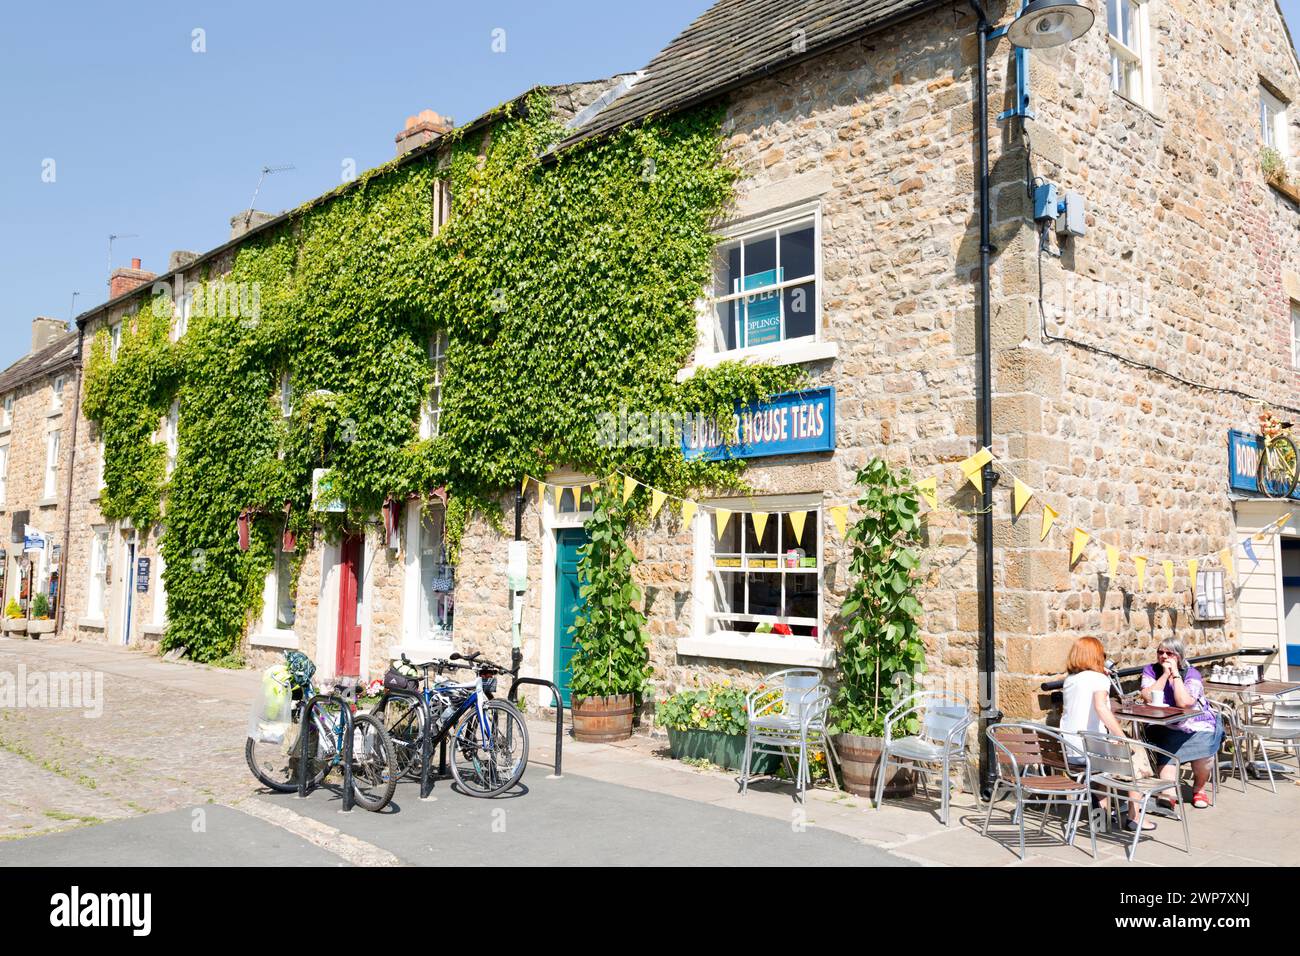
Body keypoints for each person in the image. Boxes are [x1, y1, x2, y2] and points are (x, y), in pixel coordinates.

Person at [1060, 637, 1154, 831]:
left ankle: (1101, 817)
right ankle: (1134, 816)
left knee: (1103, 764)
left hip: (1070, 750)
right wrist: (1122, 737)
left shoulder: (1070, 680)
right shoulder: (1099, 679)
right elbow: (1102, 708)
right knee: (1138, 757)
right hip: (1090, 751)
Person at [1141, 638, 1223, 809]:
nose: (1163, 656)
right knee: (1166, 743)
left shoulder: (1191, 673)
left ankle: (1199, 788)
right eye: (1160, 652)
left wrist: (1175, 674)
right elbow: (1148, 697)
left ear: (1178, 656)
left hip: (1196, 723)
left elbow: (1184, 703)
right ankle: (1168, 791)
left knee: (1205, 750)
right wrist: (1164, 675)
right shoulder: (1151, 670)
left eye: (1169, 653)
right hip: (1164, 724)